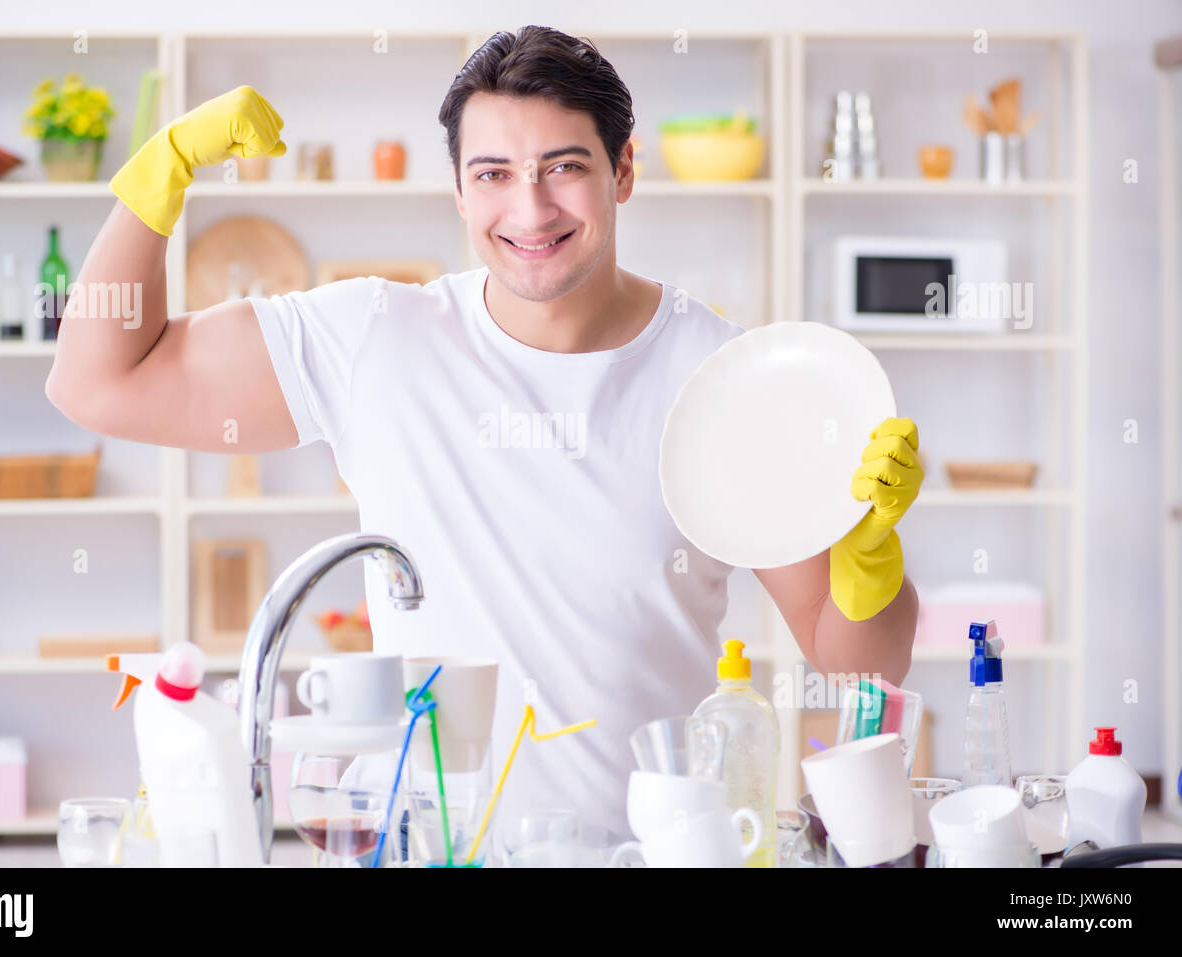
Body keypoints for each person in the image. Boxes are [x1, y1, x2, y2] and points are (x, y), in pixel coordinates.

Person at [45, 25, 923, 839]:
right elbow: (99, 381)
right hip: (433, 851)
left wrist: (870, 558)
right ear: (459, 191)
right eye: (494, 172)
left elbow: (856, 660)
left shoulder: (725, 377)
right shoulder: (373, 341)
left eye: (564, 167)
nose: (530, 209)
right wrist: (158, 174)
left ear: (624, 171)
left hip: (644, 854)